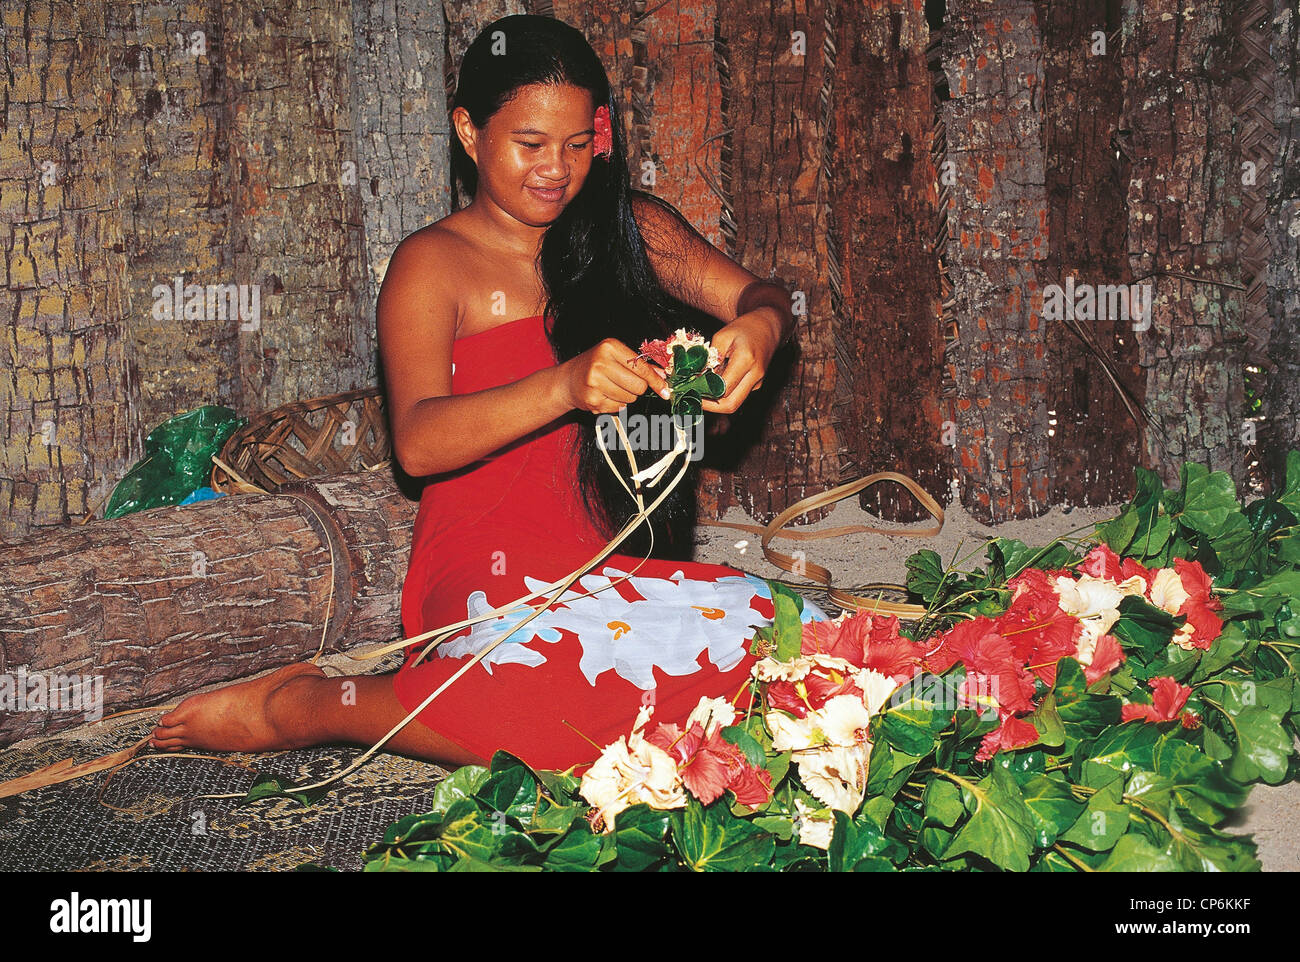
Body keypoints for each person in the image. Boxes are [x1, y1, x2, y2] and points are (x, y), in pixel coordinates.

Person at [149, 14, 824, 769]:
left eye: (576, 146)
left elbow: (768, 298)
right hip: (487, 567)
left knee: (794, 650)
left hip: (610, 565)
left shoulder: (632, 230)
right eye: (530, 145)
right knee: (534, 711)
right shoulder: (433, 264)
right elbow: (418, 440)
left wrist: (761, 329)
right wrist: (565, 384)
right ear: (469, 132)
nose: (556, 170)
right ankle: (305, 707)